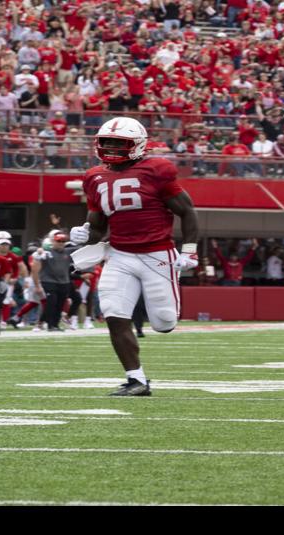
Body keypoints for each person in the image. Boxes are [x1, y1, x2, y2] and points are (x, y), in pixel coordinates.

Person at [68, 116, 202, 396]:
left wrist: (189, 250)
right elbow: (97, 227)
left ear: (138, 144)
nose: (112, 148)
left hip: (157, 254)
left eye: (119, 143)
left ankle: (140, 371)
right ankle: (136, 380)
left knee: (164, 323)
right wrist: (84, 234)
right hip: (119, 255)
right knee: (114, 315)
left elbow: (187, 211)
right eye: (107, 142)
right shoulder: (94, 177)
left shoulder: (156, 169)